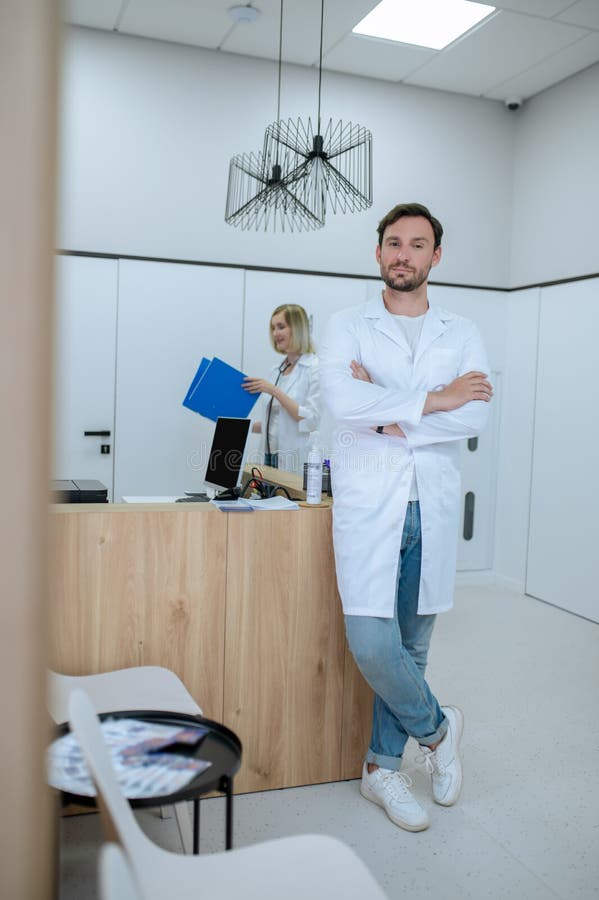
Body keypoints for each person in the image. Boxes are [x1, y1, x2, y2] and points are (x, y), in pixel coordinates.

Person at [319, 203, 493, 832]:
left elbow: (473, 416)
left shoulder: (462, 329)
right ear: (378, 253)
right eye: (394, 243)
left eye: (418, 245)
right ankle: (441, 731)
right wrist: (437, 400)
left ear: (435, 257)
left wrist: (389, 416)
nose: (404, 254)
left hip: (433, 502)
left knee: (413, 647)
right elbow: (341, 398)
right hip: (370, 503)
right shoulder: (347, 325)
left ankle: (380, 768)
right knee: (372, 640)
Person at [243, 303, 319, 474]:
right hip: (269, 456)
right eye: (272, 328)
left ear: (298, 328)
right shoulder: (277, 370)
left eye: (281, 327)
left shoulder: (315, 368)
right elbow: (272, 422)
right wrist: (240, 424)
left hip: (293, 457)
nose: (275, 333)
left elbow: (311, 419)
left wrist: (274, 391)